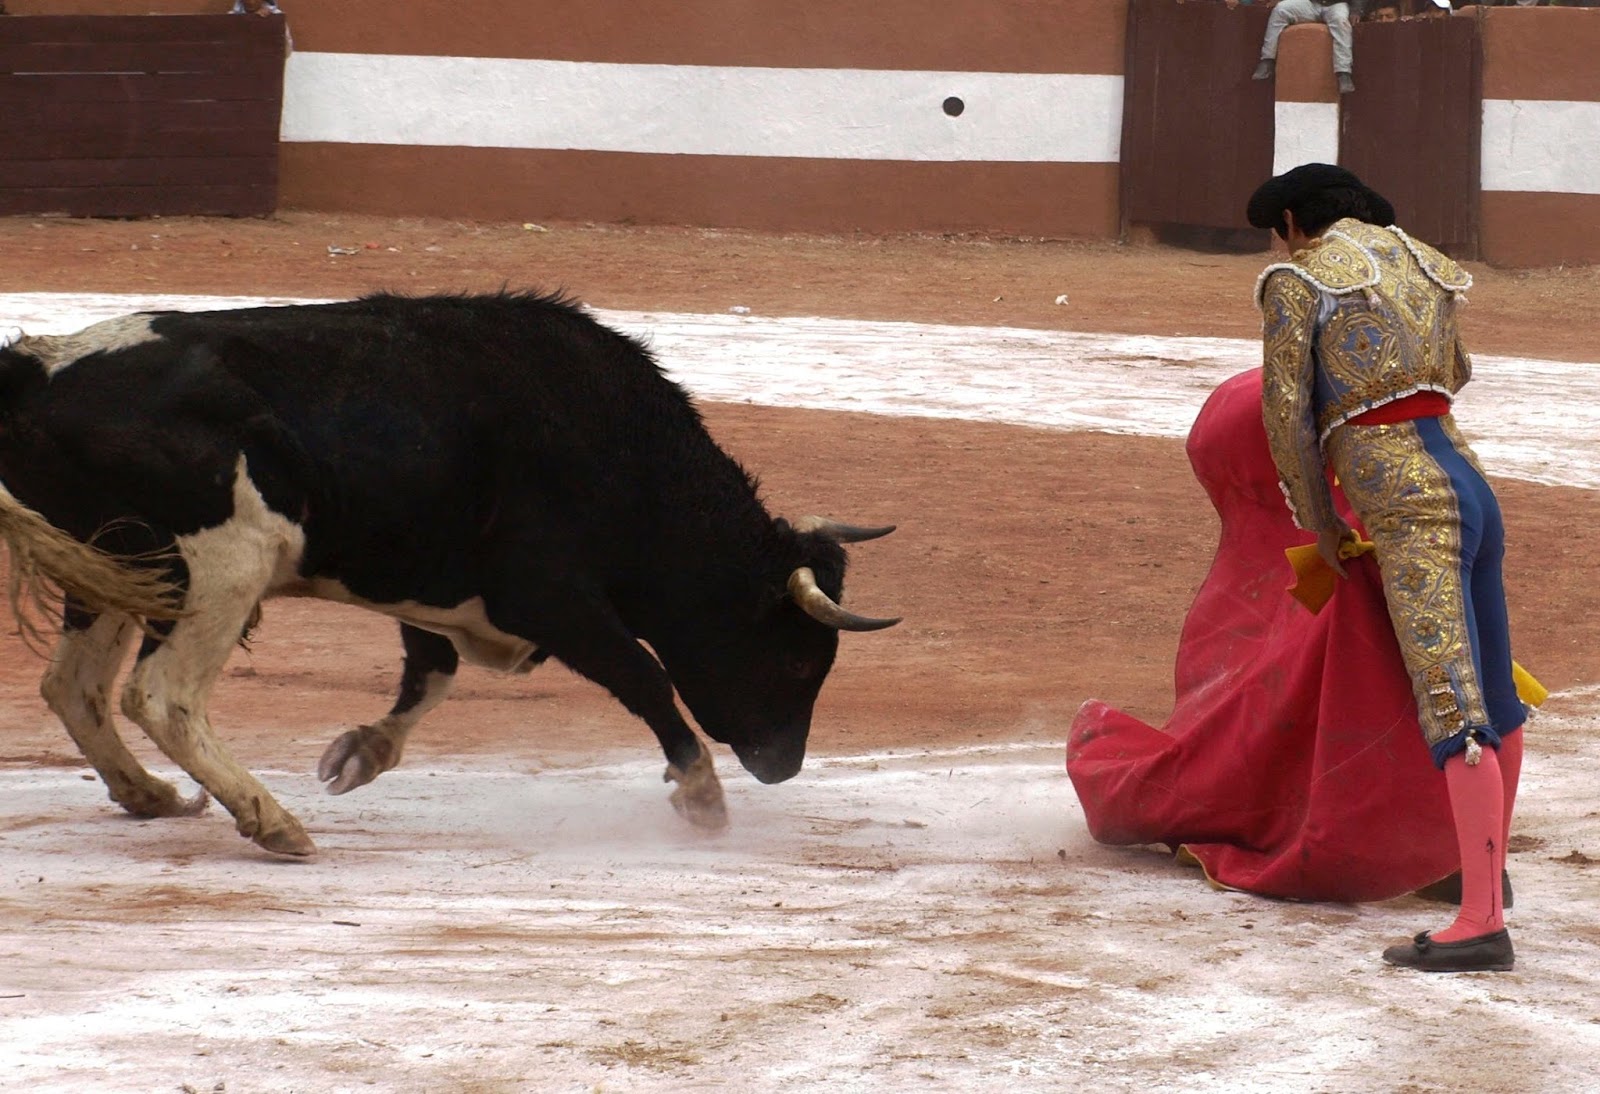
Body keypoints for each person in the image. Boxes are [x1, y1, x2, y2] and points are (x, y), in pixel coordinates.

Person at [1249, 163, 1526, 971]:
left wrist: (1321, 523)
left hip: (1409, 504)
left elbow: (1285, 412)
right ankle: (1481, 873)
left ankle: (1481, 921)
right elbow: (1457, 370)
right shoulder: (1427, 263)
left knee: (1454, 704)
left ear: (1293, 222)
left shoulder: (1300, 279)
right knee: (1497, 697)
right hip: (1471, 484)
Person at [1252, 0, 1370, 94]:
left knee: (1341, 21)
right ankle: (1267, 60)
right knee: (1280, 10)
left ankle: (1343, 73)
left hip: (1337, 4)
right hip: (1311, 3)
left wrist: (1356, 10)